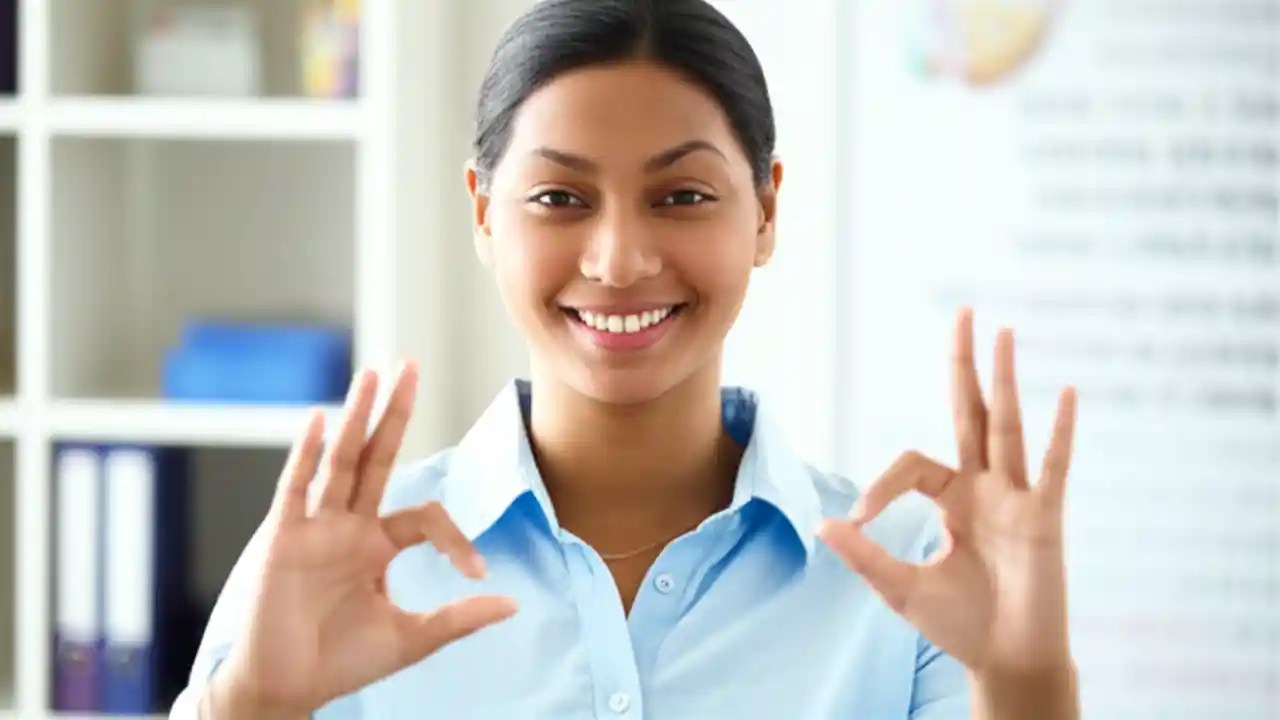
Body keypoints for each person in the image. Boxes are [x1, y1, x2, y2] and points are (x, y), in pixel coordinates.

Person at [174, 0, 1080, 717]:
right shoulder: (338, 570)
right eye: (560, 196)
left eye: (682, 195)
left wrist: (1029, 685)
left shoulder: (913, 579)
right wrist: (253, 707)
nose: (618, 260)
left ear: (765, 211)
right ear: (485, 213)